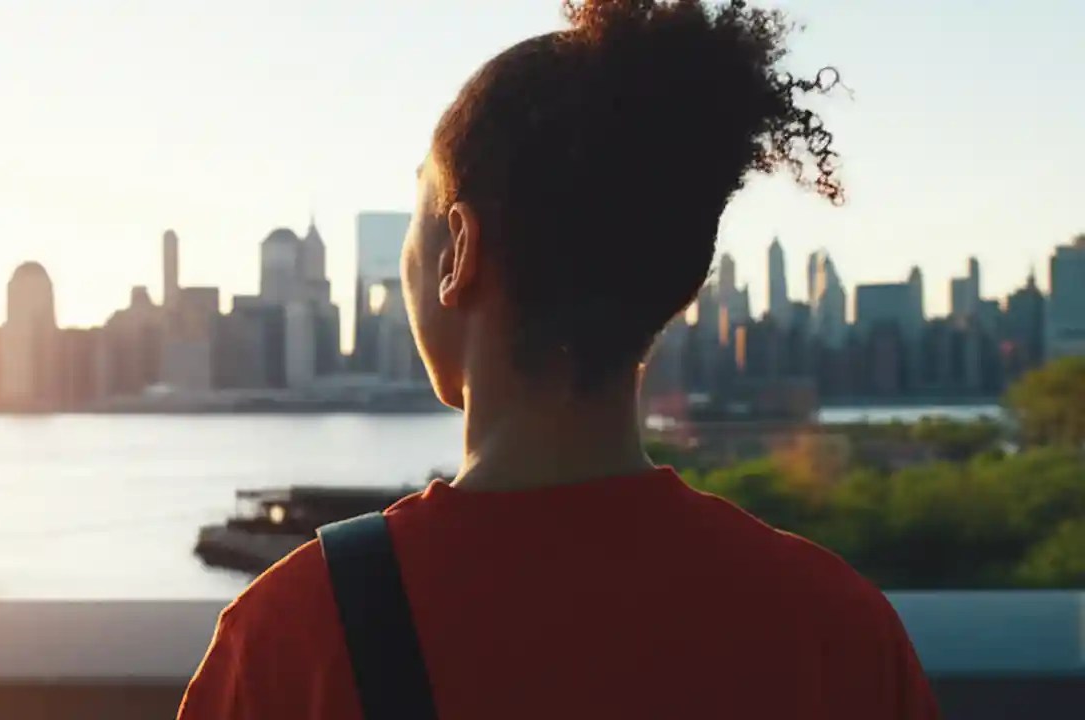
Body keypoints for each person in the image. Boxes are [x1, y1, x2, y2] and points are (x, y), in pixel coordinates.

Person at [179, 0, 938, 717]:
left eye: (421, 218)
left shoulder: (290, 641)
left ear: (460, 251)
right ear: (679, 282)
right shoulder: (841, 630)